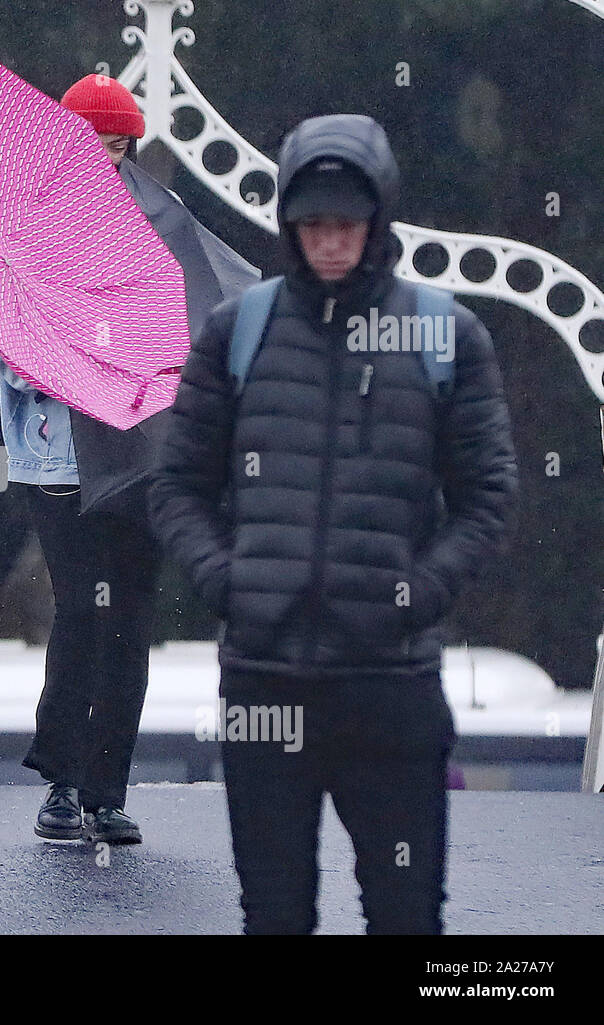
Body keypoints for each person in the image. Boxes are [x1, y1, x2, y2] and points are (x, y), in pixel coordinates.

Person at [147, 113, 518, 933]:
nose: (330, 242)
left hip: (391, 686)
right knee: (274, 914)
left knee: (406, 912)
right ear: (288, 224)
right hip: (263, 680)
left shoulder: (445, 336)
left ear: (377, 220)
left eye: (346, 224)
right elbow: (177, 484)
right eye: (313, 224)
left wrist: (415, 595)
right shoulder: (238, 330)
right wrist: (227, 580)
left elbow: (488, 496)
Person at [6, 74, 258, 847]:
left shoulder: (162, 221)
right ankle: (62, 777)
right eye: (91, 141)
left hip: (142, 450)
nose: (104, 157)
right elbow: (13, 356)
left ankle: (106, 789)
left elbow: (201, 308)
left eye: (117, 144)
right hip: (59, 460)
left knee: (130, 618)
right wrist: (69, 354)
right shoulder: (28, 228)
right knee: (85, 608)